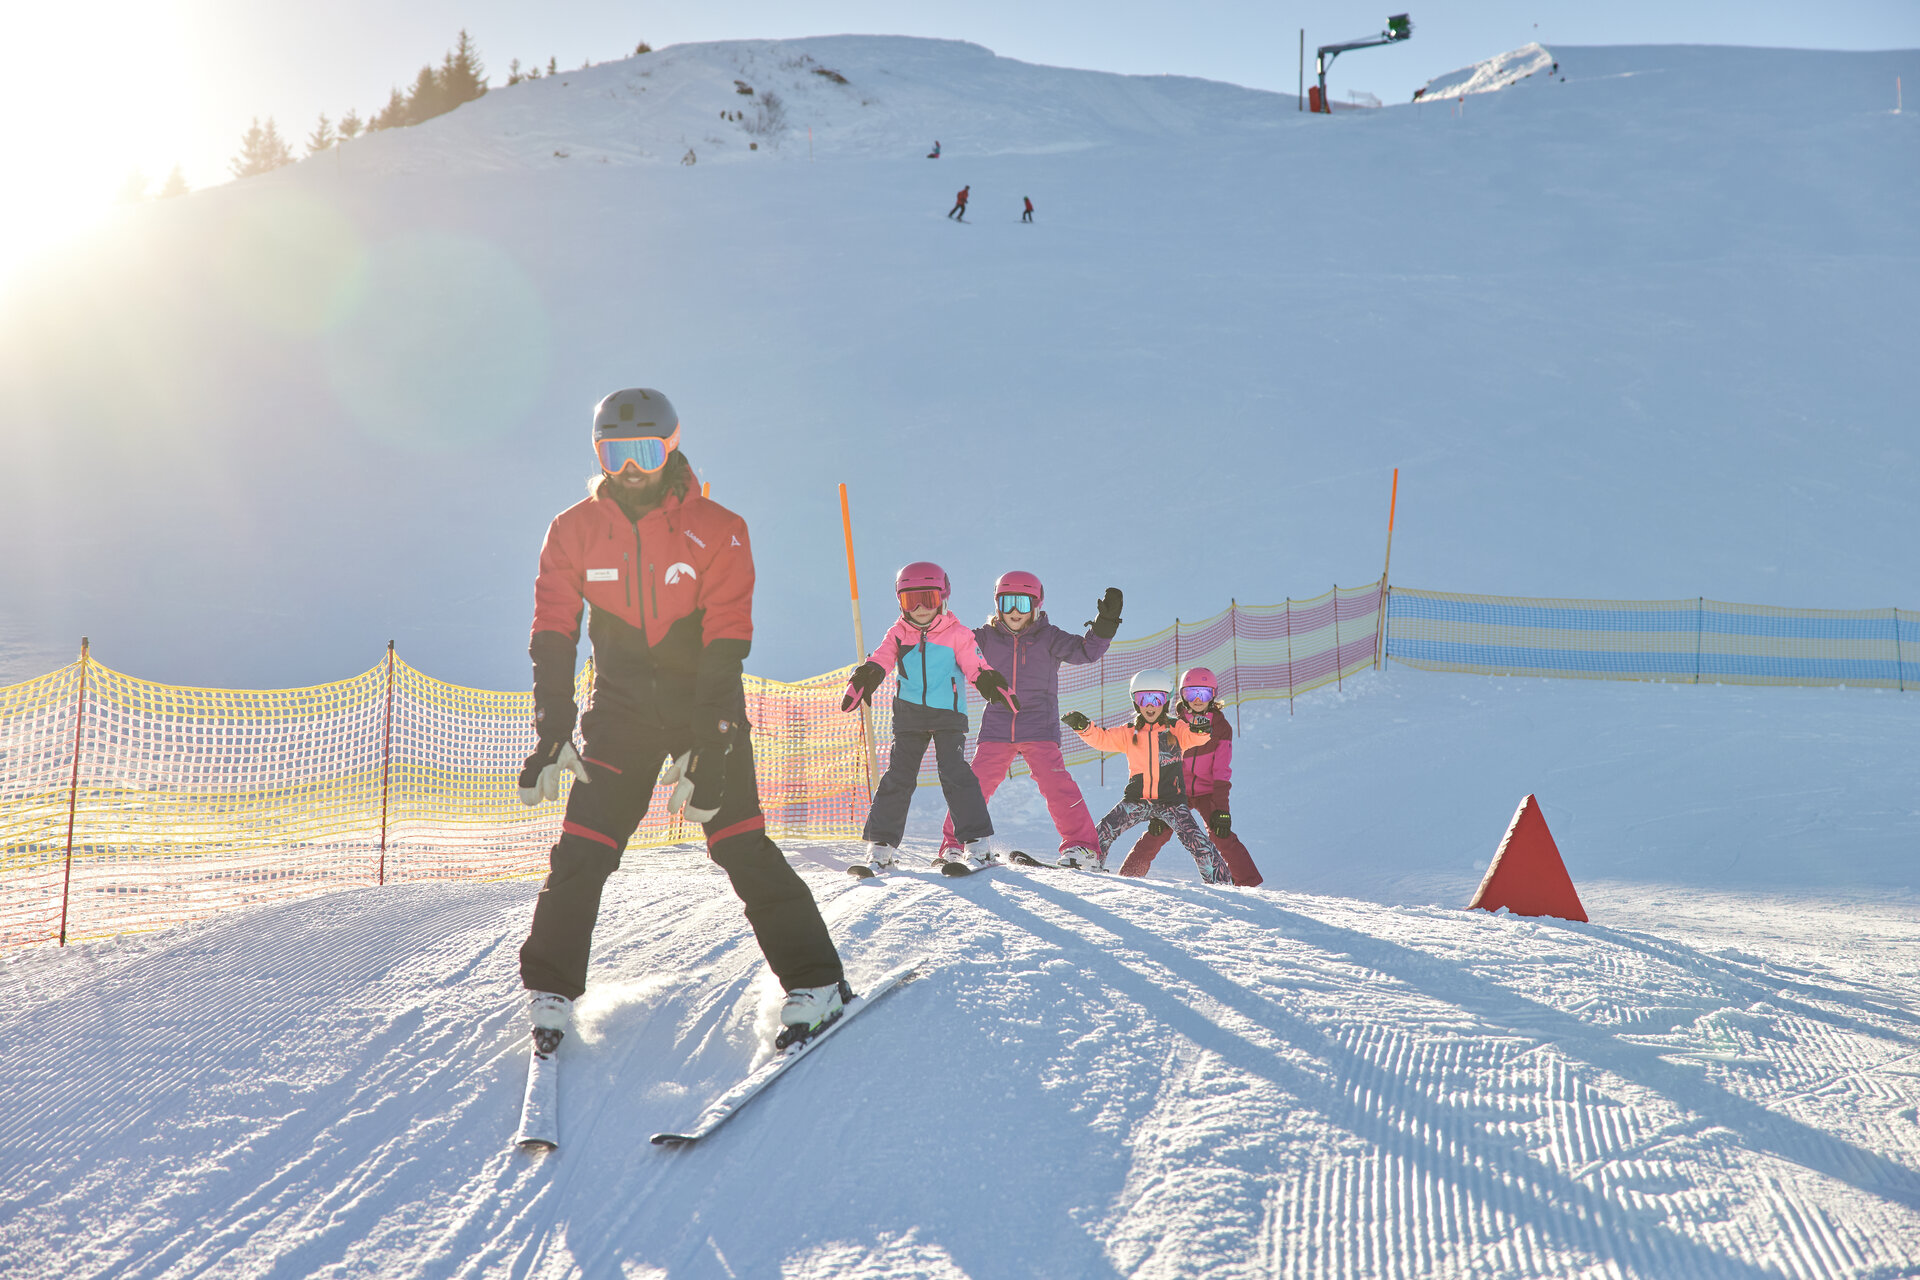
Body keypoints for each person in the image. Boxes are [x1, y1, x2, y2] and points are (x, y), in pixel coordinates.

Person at [515, 387, 848, 1059]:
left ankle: (818, 982)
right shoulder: (573, 529)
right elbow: (553, 627)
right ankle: (551, 990)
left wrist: (715, 740)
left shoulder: (719, 527)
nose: (630, 468)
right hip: (620, 714)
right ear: (599, 456)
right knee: (583, 846)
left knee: (739, 843)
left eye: (644, 451)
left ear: (670, 448)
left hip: (704, 708)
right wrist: (553, 722)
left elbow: (728, 635)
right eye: (615, 453)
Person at [842, 562, 1018, 872]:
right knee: (898, 776)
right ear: (901, 603)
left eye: (928, 598)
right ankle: (881, 846)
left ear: (943, 598)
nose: (921, 608)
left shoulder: (957, 634)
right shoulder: (898, 633)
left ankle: (977, 844)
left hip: (947, 714)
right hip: (909, 715)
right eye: (912, 601)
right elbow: (881, 658)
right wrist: (866, 675)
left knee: (954, 773)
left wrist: (991, 682)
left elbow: (975, 665)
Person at [936, 573, 1120, 864]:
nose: (1014, 612)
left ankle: (1082, 847)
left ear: (1035, 605)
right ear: (997, 605)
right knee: (975, 784)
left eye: (1022, 603)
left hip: (1039, 726)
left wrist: (1105, 626)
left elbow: (1086, 652)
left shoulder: (1049, 637)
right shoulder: (984, 637)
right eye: (1007, 602)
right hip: (997, 727)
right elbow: (953, 648)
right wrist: (937, 618)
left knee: (1056, 784)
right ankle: (956, 844)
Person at [1062, 669, 1231, 883]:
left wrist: (1200, 731)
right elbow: (1102, 739)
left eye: (1156, 698)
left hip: (1171, 800)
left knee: (1196, 840)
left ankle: (1219, 880)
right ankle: (1089, 862)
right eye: (1143, 699)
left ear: (1166, 702)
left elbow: (1194, 738)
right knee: (1104, 829)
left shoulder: (1175, 728)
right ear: (1136, 702)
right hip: (1137, 799)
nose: (1150, 705)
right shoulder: (1130, 732)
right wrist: (1084, 728)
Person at [1116, 666, 1263, 886]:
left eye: (1203, 694)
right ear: (1182, 696)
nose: (1197, 700)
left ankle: (1248, 883)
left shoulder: (1221, 728)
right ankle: (1129, 876)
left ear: (1213, 696)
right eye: (1191, 693)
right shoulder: (1172, 725)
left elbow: (1221, 772)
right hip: (1175, 791)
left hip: (1207, 793)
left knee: (1220, 834)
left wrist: (1222, 810)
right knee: (1158, 831)